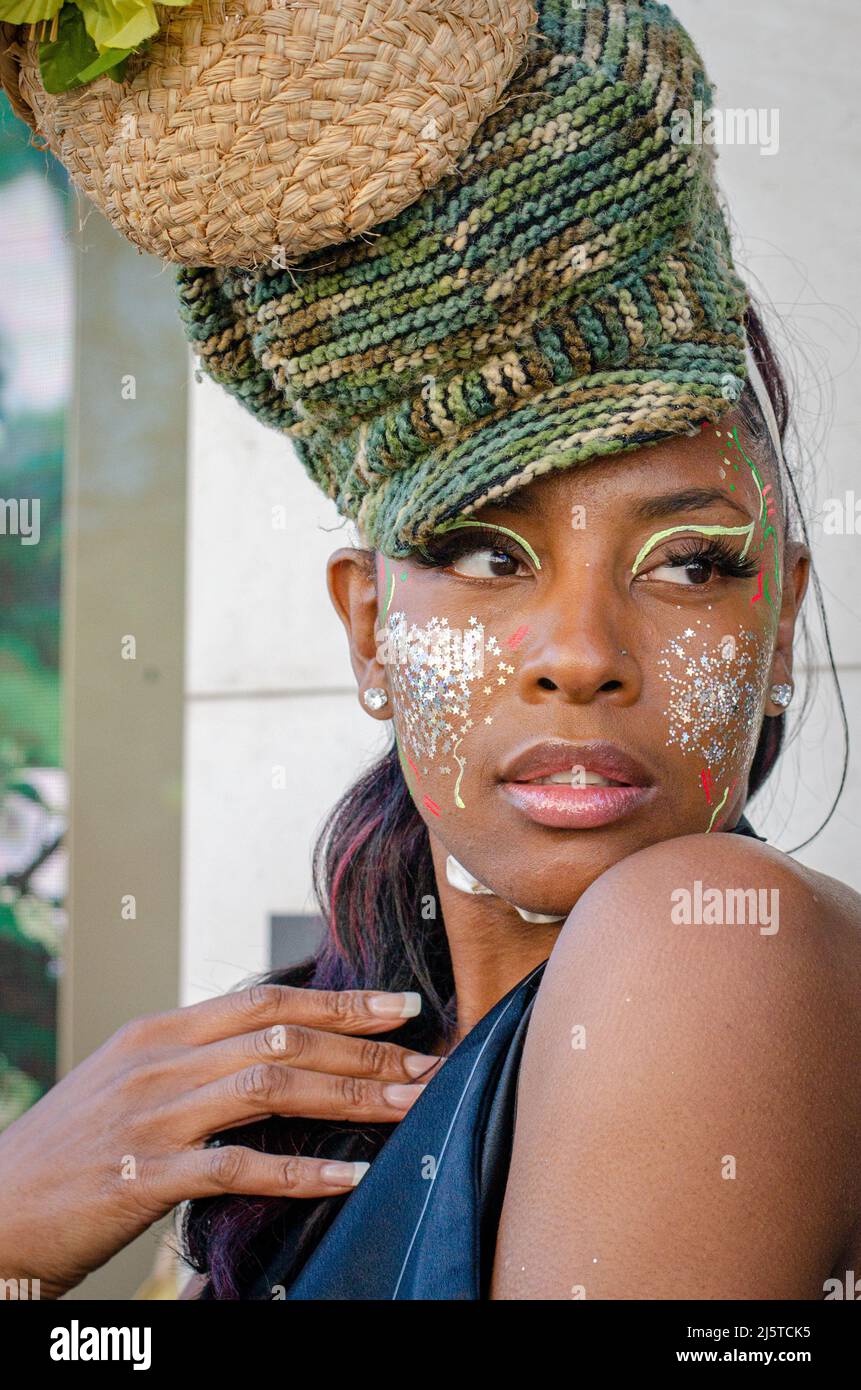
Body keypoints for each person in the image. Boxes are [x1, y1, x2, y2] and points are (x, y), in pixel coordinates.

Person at [1, 0, 859, 1301]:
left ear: (778, 620)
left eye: (686, 561)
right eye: (483, 551)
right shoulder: (298, 1112)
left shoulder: (705, 943)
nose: (578, 653)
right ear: (367, 630)